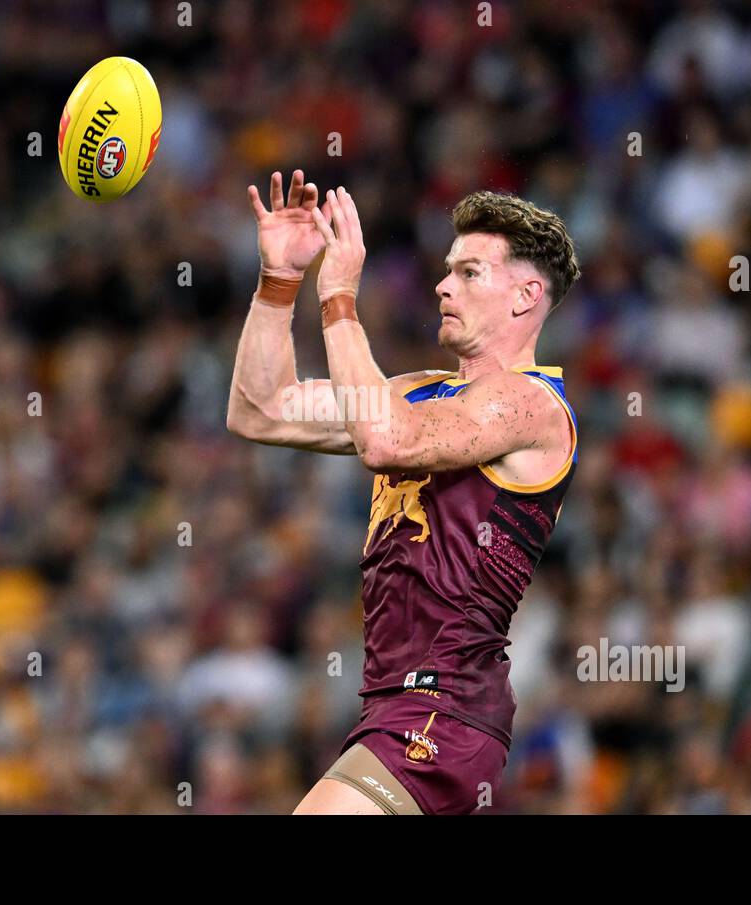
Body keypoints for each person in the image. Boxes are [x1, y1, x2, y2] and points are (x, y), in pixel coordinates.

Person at [228, 171, 581, 814]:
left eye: (470, 273)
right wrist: (280, 282)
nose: (443, 285)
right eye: (448, 270)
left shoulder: (531, 404)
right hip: (394, 703)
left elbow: (386, 443)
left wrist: (338, 297)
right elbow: (261, 409)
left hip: (445, 710)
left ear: (527, 296)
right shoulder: (420, 390)